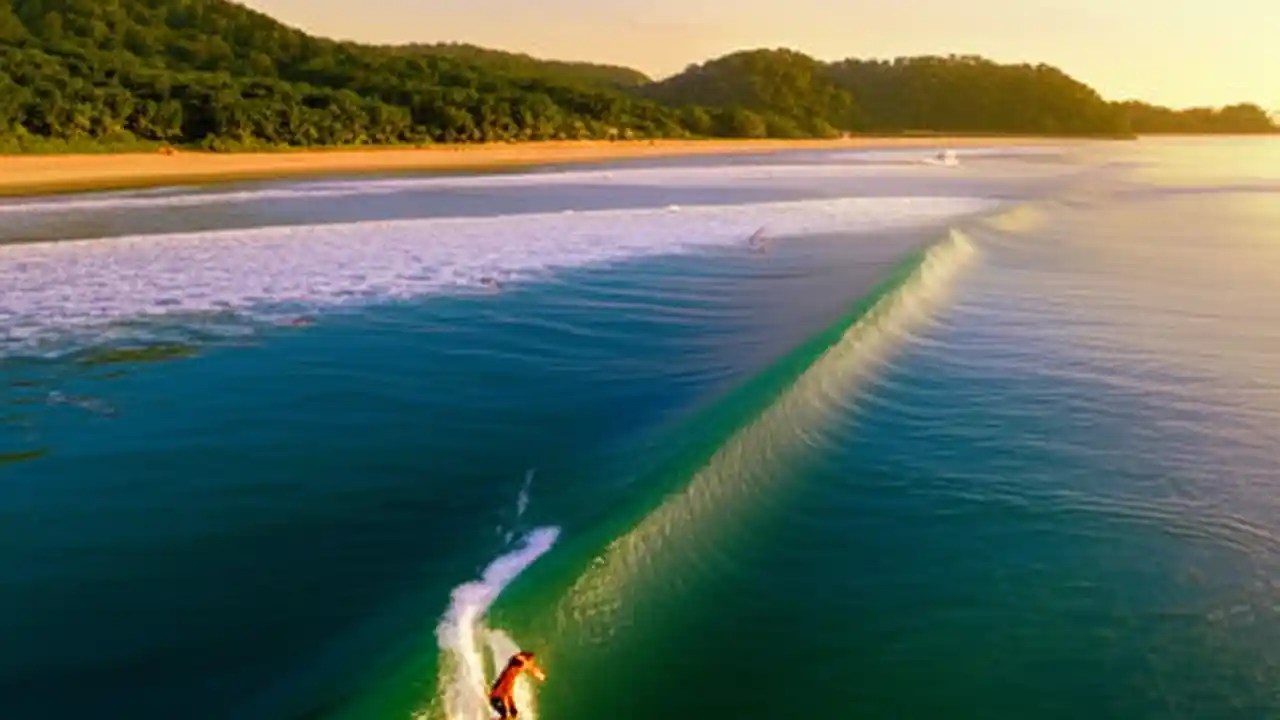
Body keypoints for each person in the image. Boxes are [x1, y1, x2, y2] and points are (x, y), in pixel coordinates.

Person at [488, 651, 546, 719]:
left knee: (511, 715)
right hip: (497, 698)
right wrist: (511, 704)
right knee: (507, 716)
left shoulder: (514, 666)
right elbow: (507, 689)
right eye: (531, 662)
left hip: (497, 696)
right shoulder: (512, 672)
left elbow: (525, 664)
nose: (532, 664)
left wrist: (537, 673)